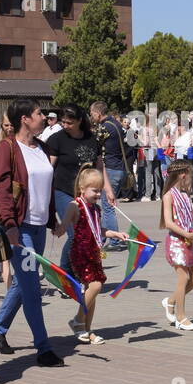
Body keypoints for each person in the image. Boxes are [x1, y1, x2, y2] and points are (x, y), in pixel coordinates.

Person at [0, 99, 65, 367]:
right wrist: (9, 225)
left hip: (39, 226)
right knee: (32, 287)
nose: (43, 117)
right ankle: (43, 348)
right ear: (24, 119)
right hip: (20, 229)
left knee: (24, 281)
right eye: (38, 113)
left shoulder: (41, 147)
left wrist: (52, 216)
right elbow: (3, 189)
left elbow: (47, 185)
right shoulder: (6, 148)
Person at [64, 167, 128, 344]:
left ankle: (87, 329)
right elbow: (65, 222)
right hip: (81, 253)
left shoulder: (96, 210)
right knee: (96, 286)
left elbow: (99, 230)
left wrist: (115, 234)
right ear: (82, 188)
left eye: (100, 190)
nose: (98, 194)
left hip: (94, 253)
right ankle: (77, 320)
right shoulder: (76, 205)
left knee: (92, 292)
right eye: (95, 190)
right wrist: (59, 228)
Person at [44, 104, 99, 271]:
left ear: (80, 121)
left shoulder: (91, 138)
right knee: (75, 233)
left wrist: (105, 190)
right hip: (62, 191)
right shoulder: (57, 139)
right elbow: (48, 168)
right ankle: (65, 274)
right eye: (63, 122)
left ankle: (77, 270)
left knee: (87, 232)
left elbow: (98, 166)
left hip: (85, 193)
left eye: (70, 122)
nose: (65, 125)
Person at [160, 161, 193, 331]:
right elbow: (169, 223)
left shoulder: (185, 196)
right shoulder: (168, 196)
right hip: (176, 242)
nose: (191, 180)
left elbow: (189, 222)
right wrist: (186, 235)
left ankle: (170, 301)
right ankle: (181, 317)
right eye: (190, 176)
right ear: (183, 175)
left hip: (188, 242)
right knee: (183, 277)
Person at [91, 101, 131, 241]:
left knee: (108, 207)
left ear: (98, 113)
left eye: (92, 114)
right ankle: (102, 238)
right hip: (119, 167)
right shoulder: (116, 124)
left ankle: (114, 240)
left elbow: (93, 143)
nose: (92, 117)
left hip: (110, 168)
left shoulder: (105, 127)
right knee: (108, 205)